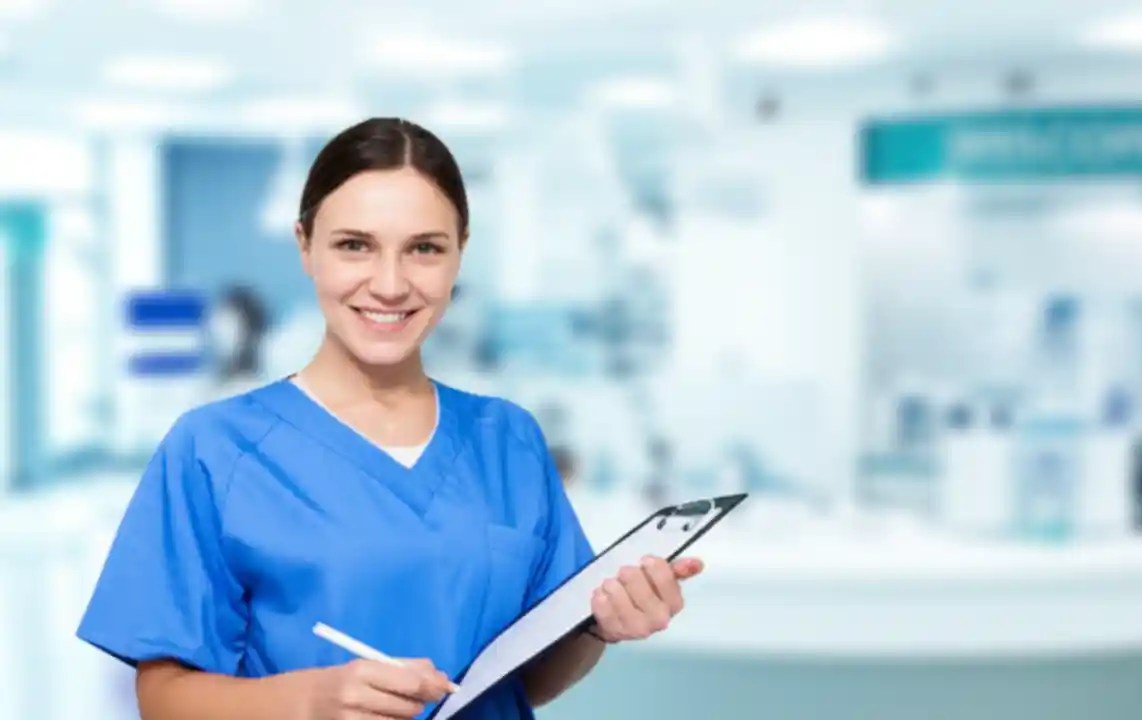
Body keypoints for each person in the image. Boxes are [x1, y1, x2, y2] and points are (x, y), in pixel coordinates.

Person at [76, 117, 704, 720]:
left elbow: (526, 683)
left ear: (459, 254)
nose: (390, 283)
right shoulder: (215, 449)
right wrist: (309, 704)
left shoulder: (507, 438)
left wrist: (597, 625)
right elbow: (163, 699)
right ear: (305, 247)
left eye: (424, 249)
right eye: (355, 246)